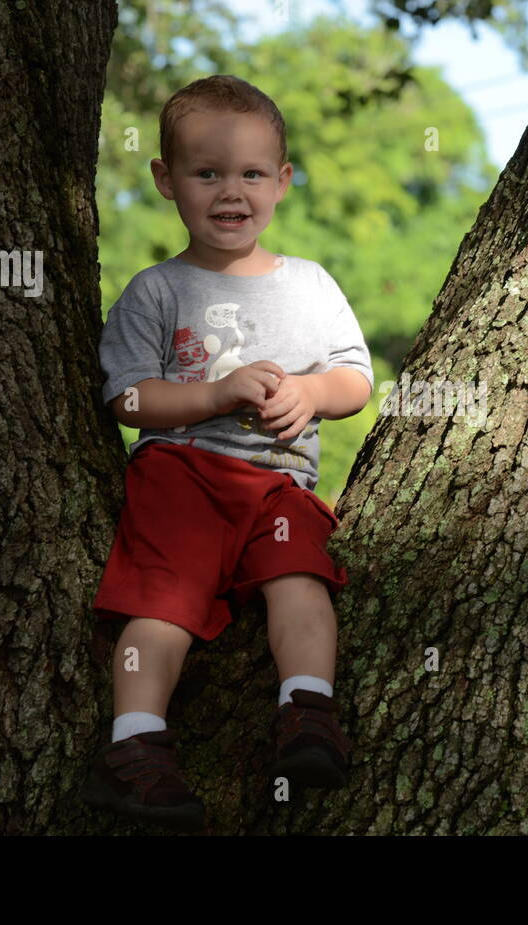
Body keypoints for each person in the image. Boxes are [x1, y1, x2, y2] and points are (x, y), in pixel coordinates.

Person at [80, 74, 374, 832]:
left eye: (249, 174)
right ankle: (136, 746)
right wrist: (212, 395)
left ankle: (306, 708)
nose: (229, 191)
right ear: (165, 180)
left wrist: (311, 394)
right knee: (162, 606)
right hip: (184, 479)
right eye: (206, 173)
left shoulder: (309, 284)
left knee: (302, 579)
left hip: (279, 486)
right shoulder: (156, 290)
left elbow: (355, 376)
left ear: (281, 182)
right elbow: (129, 400)